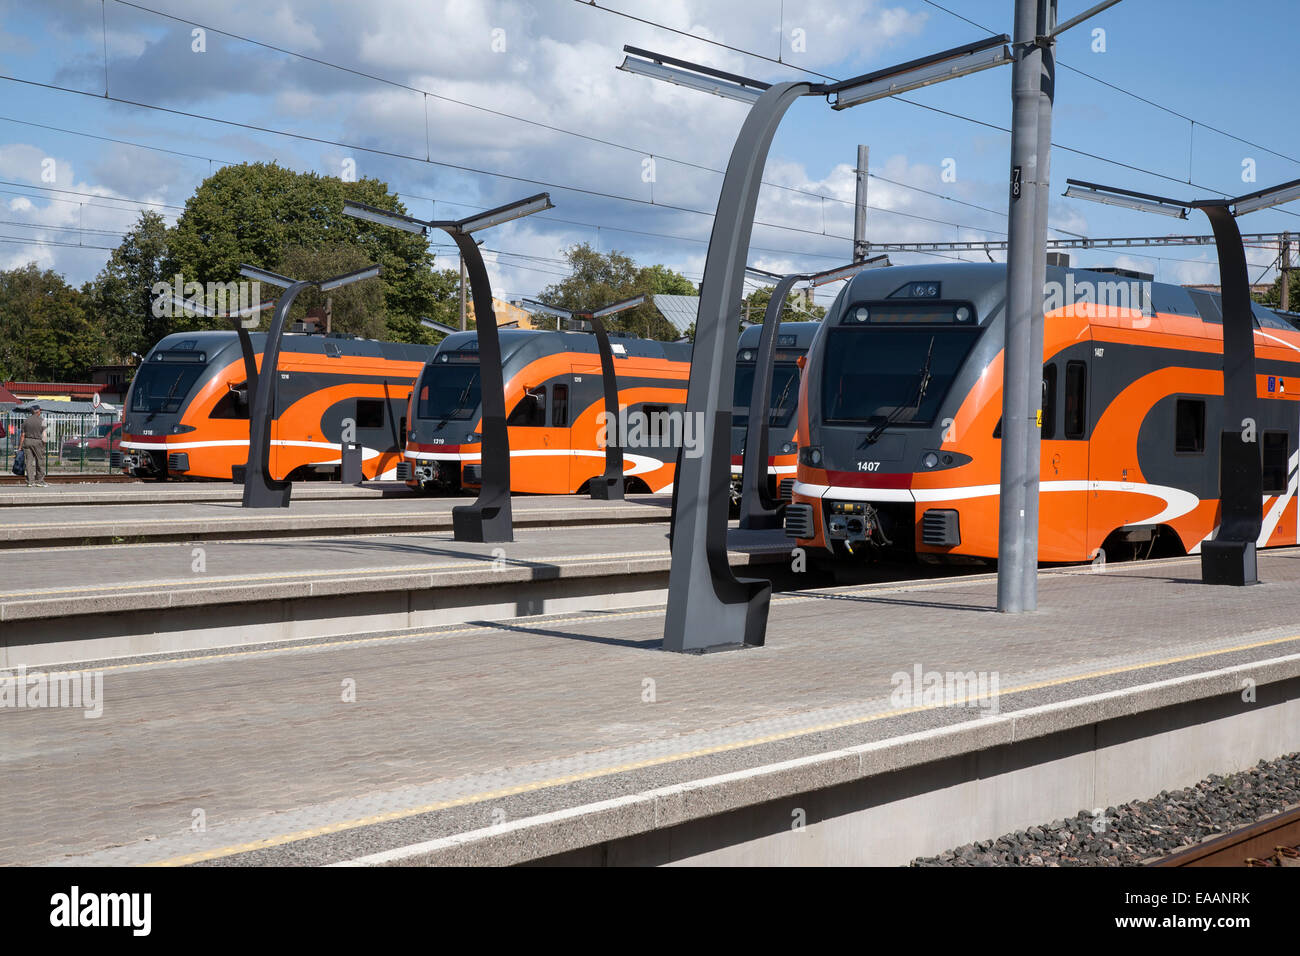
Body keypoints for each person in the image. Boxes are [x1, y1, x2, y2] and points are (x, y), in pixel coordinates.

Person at [21, 404, 48, 488]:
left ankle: (30, 481)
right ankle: (39, 481)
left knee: (28, 462)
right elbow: (44, 434)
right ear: (38, 411)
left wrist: (20, 446)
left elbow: (22, 435)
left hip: (27, 441)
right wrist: (44, 444)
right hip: (37, 442)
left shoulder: (26, 421)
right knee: (40, 461)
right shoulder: (42, 420)